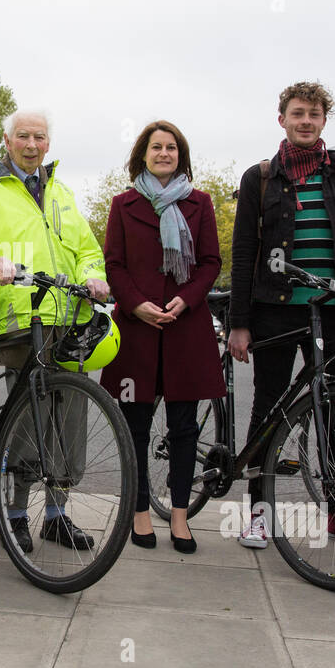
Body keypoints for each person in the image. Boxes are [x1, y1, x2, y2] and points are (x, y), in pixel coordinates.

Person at [228, 81, 335, 549]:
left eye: (315, 114)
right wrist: (239, 323)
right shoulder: (260, 177)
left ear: (324, 121)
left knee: (333, 413)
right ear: (282, 118)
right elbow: (245, 255)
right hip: (275, 311)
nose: (306, 120)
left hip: (331, 310)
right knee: (269, 407)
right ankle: (259, 513)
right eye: (298, 112)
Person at [0, 108, 110, 553]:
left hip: (68, 317)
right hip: (18, 319)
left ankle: (58, 515)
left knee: (71, 408)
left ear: (48, 144)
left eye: (39, 137)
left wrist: (94, 275)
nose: (31, 144)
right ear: (7, 141)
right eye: (22, 136)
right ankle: (17, 514)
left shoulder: (61, 192)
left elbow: (87, 250)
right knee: (33, 406)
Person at [101, 121, 223, 554]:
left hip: (185, 329)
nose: (164, 153)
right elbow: (113, 264)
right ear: (143, 155)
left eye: (172, 148)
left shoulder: (200, 203)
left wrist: (186, 300)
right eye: (157, 147)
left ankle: (179, 514)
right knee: (134, 426)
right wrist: (134, 304)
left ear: (180, 156)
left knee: (184, 427)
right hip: (137, 329)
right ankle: (137, 512)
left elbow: (210, 262)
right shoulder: (123, 204)